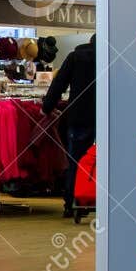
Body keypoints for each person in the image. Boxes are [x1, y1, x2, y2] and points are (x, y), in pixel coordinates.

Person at [41, 35, 96, 218]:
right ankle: (99, 200)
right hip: (107, 117)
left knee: (76, 161)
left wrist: (47, 106)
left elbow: (59, 84)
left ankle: (72, 203)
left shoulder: (75, 57)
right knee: (104, 161)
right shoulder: (112, 57)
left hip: (80, 116)